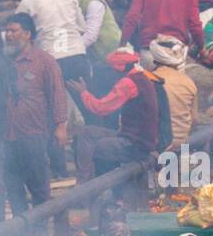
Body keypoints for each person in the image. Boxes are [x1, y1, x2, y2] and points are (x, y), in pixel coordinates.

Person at [0, 13, 69, 216]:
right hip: (7, 134)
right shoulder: (3, 61)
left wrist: (60, 125)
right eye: (7, 31)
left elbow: (57, 93)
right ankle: (21, 233)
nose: (9, 35)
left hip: (34, 132)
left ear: (28, 34)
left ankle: (40, 231)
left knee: (38, 185)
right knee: (12, 185)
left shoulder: (44, 61)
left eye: (14, 31)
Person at [67, 49, 160, 182]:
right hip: (136, 138)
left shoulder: (128, 83)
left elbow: (101, 108)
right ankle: (87, 183)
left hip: (134, 145)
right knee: (85, 133)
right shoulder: (142, 77)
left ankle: (86, 186)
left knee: (86, 147)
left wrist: (83, 92)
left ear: (119, 69)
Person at [16, 0, 90, 90]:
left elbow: (19, 36)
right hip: (77, 57)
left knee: (55, 107)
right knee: (83, 104)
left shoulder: (28, 1)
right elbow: (82, 27)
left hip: (51, 61)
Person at [149, 37, 199, 147]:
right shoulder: (189, 82)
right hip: (181, 143)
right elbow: (194, 120)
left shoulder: (148, 81)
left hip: (157, 145)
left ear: (155, 58)